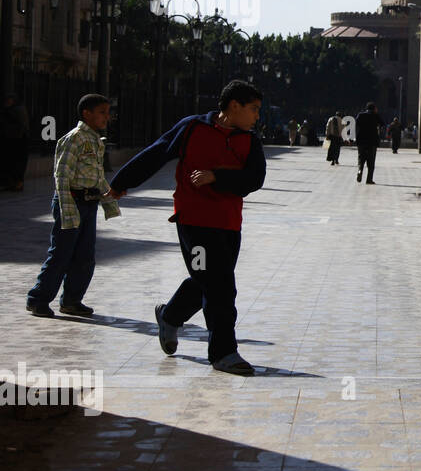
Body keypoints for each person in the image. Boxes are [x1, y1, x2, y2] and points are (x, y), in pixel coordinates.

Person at [109, 80, 267, 376]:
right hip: (194, 221)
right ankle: (224, 353)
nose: (257, 116)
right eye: (254, 109)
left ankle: (169, 315)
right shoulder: (192, 128)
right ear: (234, 106)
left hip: (229, 224)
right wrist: (121, 182)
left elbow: (254, 180)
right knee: (220, 286)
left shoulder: (250, 140)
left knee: (207, 279)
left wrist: (216, 177)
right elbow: (156, 153)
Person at [25, 94, 122, 317]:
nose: (107, 117)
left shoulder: (96, 140)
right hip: (71, 202)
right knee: (61, 254)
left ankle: (71, 300)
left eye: (108, 113)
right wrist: (67, 209)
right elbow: (62, 175)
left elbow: (95, 177)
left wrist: (109, 197)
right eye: (102, 112)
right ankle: (37, 299)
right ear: (86, 114)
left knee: (85, 257)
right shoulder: (74, 139)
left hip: (89, 204)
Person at [0, 93, 30, 191]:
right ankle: (12, 183)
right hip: (13, 141)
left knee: (16, 164)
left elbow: (21, 126)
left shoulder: (16, 110)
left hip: (17, 141)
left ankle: (17, 183)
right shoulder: (11, 110)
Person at [355, 101, 383, 184]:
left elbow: (356, 124)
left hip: (361, 141)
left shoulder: (360, 115)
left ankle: (360, 171)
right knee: (371, 161)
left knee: (361, 158)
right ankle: (369, 179)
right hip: (372, 141)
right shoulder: (376, 115)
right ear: (374, 108)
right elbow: (383, 124)